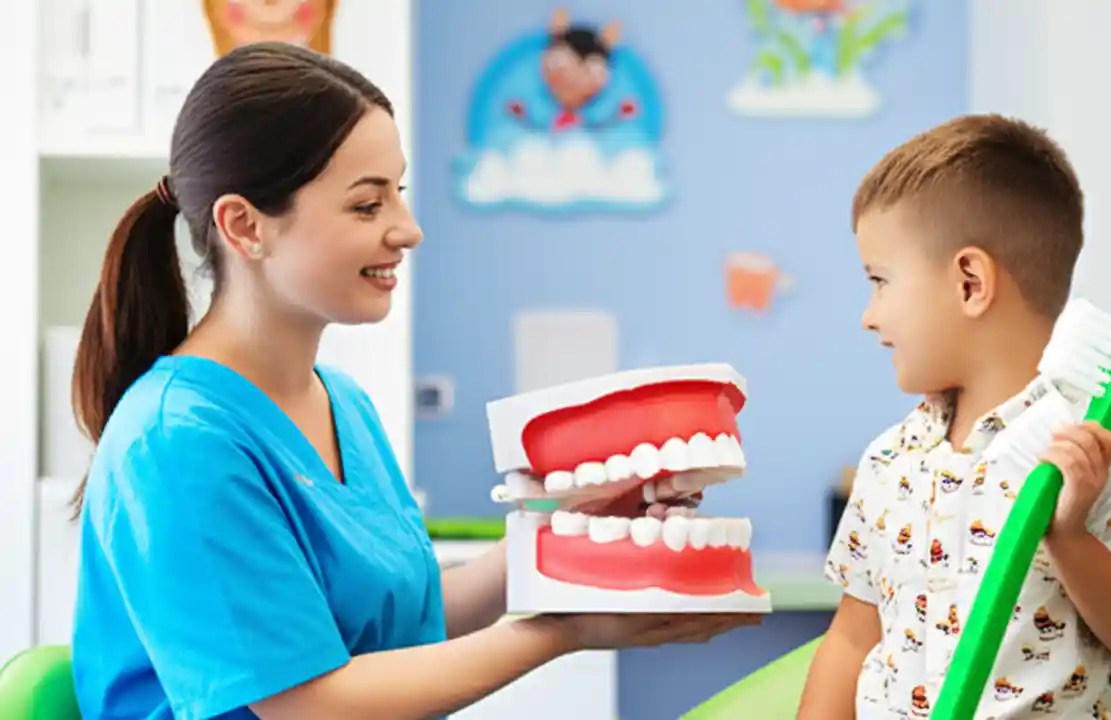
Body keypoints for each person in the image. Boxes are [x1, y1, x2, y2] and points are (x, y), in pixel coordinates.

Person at [69, 42, 758, 720]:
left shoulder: (343, 404)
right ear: (245, 226)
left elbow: (407, 624)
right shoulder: (178, 442)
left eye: (398, 195)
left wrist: (563, 540)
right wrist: (563, 632)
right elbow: (307, 704)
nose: (408, 230)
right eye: (367, 206)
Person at [797, 114, 1111, 718]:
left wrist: (1066, 538)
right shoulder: (890, 462)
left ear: (969, 282)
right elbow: (853, 638)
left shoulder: (1109, 447)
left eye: (880, 282)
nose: (869, 315)